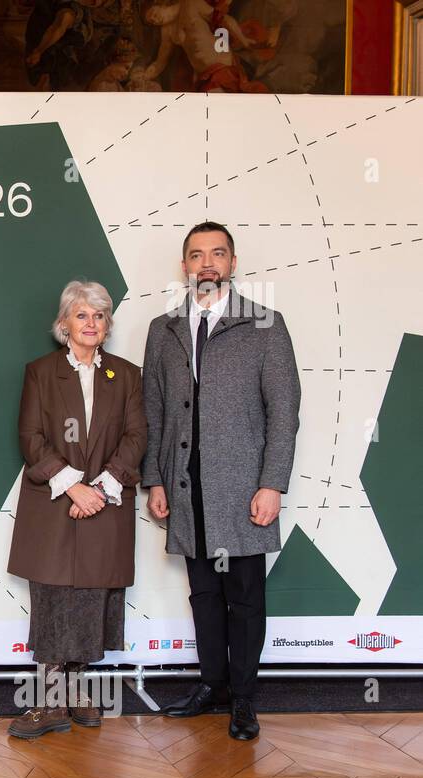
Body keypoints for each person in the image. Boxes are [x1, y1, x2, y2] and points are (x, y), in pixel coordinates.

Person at [141, 222, 300, 740]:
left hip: (242, 487)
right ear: (185, 267)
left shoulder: (265, 326)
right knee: (204, 593)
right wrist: (155, 479)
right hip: (185, 487)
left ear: (232, 263)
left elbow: (284, 411)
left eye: (217, 254)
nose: (206, 263)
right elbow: (154, 409)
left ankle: (245, 699)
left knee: (245, 597)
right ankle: (212, 685)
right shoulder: (162, 330)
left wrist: (272, 483)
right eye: (196, 255)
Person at [6, 280, 147, 739]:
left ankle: (77, 694)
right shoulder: (41, 372)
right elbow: (31, 439)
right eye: (82, 315)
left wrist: (101, 489)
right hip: (54, 506)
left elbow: (136, 438)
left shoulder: (126, 375)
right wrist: (74, 488)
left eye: (100, 316)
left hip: (106, 504)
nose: (92, 323)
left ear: (108, 324)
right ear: (64, 323)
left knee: (91, 598)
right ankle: (48, 704)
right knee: (53, 598)